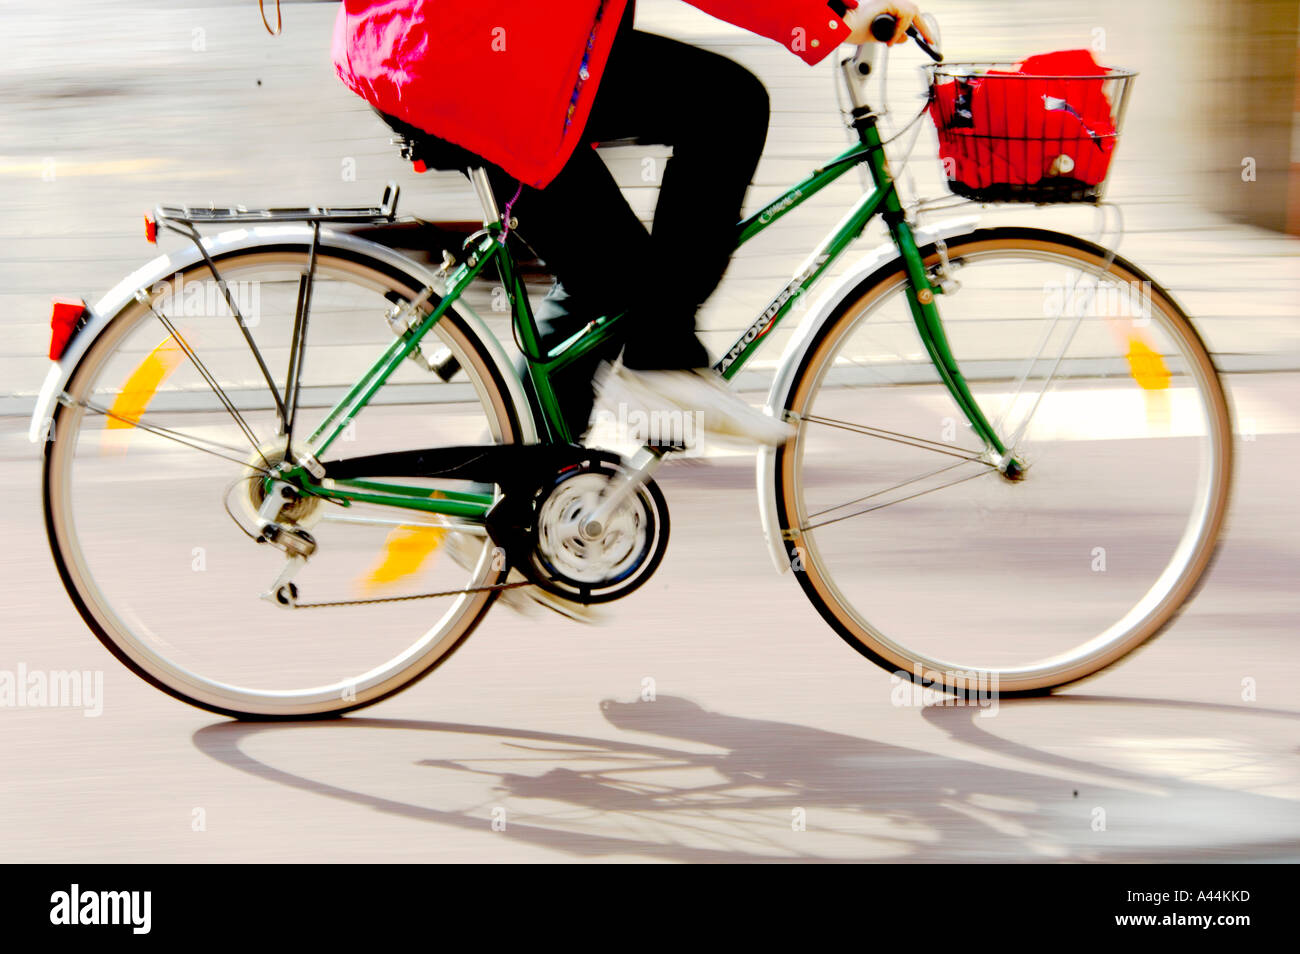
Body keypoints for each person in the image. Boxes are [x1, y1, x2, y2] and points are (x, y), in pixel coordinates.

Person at [332, 1, 929, 443]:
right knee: (726, 104)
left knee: (603, 278)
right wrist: (828, 20)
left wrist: (839, 7)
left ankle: (512, 500)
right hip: (476, 55)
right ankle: (662, 356)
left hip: (446, 48)